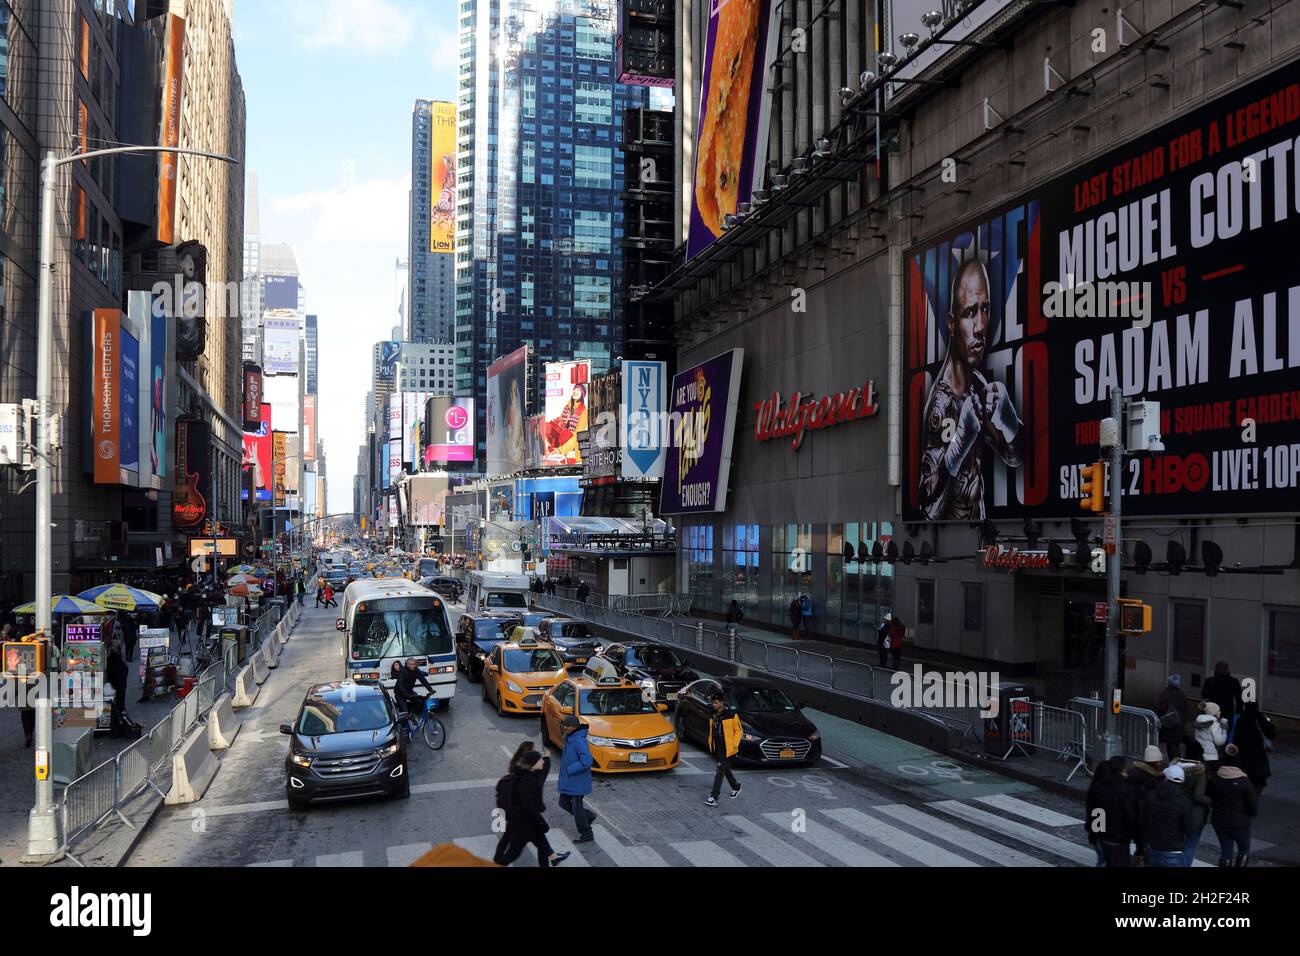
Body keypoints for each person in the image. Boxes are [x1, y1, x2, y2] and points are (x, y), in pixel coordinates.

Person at [919, 256, 1025, 519]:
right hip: (948, 539)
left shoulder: (977, 385)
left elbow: (1014, 458)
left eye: (985, 309)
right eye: (969, 313)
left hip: (980, 531)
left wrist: (1009, 423)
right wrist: (960, 442)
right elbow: (927, 505)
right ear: (951, 323)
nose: (980, 327)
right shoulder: (941, 404)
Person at [493, 748, 570, 867]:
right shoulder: (527, 781)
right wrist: (541, 822)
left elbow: (543, 772)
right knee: (514, 852)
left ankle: (553, 859)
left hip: (526, 822)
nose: (542, 762)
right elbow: (529, 806)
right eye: (540, 760)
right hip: (524, 824)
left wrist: (547, 757)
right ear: (533, 764)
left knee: (542, 846)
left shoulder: (529, 774)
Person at [1086, 756, 1138, 867]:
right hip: (1117, 837)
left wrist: (1094, 834)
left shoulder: (1098, 786)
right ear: (1123, 769)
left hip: (1101, 834)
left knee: (1103, 861)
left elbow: (1094, 810)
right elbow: (1129, 815)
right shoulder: (1127, 789)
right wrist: (1133, 835)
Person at [1140, 764, 1196, 867]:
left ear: (1166, 778)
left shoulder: (1151, 795)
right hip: (1173, 850)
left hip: (1153, 847)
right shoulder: (1184, 802)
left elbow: (1144, 820)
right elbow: (1190, 830)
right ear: (1182, 781)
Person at [1207, 754, 1258, 866]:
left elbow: (1208, 794)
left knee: (1226, 850)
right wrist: (1251, 814)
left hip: (1219, 820)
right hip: (1239, 822)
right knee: (1244, 850)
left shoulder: (1215, 779)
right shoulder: (1244, 781)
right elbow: (1252, 803)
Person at [557, 715, 596, 843]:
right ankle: (588, 815)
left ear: (574, 727)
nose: (565, 728)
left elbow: (587, 760)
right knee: (563, 802)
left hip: (578, 780)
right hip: (570, 780)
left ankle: (587, 833)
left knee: (577, 808)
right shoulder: (570, 738)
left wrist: (571, 769)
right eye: (564, 725)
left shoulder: (579, 741)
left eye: (567, 726)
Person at [1223, 701, 1276, 794]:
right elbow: (1272, 734)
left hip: (1243, 754)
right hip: (1258, 753)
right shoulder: (1260, 718)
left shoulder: (1241, 719)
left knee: (1244, 774)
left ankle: (1244, 792)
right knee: (1258, 778)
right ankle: (1254, 794)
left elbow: (1236, 737)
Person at [1128, 745, 1165, 864]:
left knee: (1140, 840)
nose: (1161, 764)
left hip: (1135, 812)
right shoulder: (1154, 779)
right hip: (1147, 813)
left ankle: (1139, 854)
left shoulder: (1134, 774)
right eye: (1159, 761)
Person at [705, 694, 742, 807]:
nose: (714, 705)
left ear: (722, 703)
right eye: (713, 703)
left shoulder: (731, 714)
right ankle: (736, 787)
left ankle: (714, 797)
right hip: (717, 746)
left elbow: (739, 731)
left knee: (720, 771)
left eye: (716, 703)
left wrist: (734, 745)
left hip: (727, 747)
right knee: (724, 769)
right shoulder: (713, 713)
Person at [1177, 758, 1212, 866]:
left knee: (1179, 842)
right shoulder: (1199, 774)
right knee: (1191, 843)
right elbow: (1198, 795)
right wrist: (1211, 801)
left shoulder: (1176, 771)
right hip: (1196, 815)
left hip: (1179, 812)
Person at [394, 658, 434, 733]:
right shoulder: (402, 671)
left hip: (409, 692)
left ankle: (411, 713)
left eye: (414, 664)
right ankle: (404, 730)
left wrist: (430, 689)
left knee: (420, 702)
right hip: (400, 693)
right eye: (412, 664)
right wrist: (406, 695)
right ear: (407, 664)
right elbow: (399, 685)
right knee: (404, 712)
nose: (414, 666)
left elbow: (423, 680)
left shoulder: (416, 670)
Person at [1156, 673, 1189, 760]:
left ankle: (1175, 763)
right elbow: (1186, 710)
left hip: (1170, 723)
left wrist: (1160, 720)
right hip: (1180, 723)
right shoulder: (1182, 694)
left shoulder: (1165, 693)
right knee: (1176, 744)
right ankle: (1177, 762)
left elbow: (1162, 709)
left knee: (1171, 744)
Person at [1194, 702, 1228, 774]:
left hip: (1198, 752)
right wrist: (1224, 730)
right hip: (1210, 756)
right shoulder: (1214, 724)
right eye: (1218, 711)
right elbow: (1219, 741)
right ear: (1213, 712)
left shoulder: (1199, 720)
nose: (1220, 712)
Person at [106, 639, 130, 736]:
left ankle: (116, 728)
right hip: (121, 686)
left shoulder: (112, 660)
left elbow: (110, 672)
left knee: (116, 708)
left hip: (116, 687)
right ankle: (119, 726)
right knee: (119, 707)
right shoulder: (119, 660)